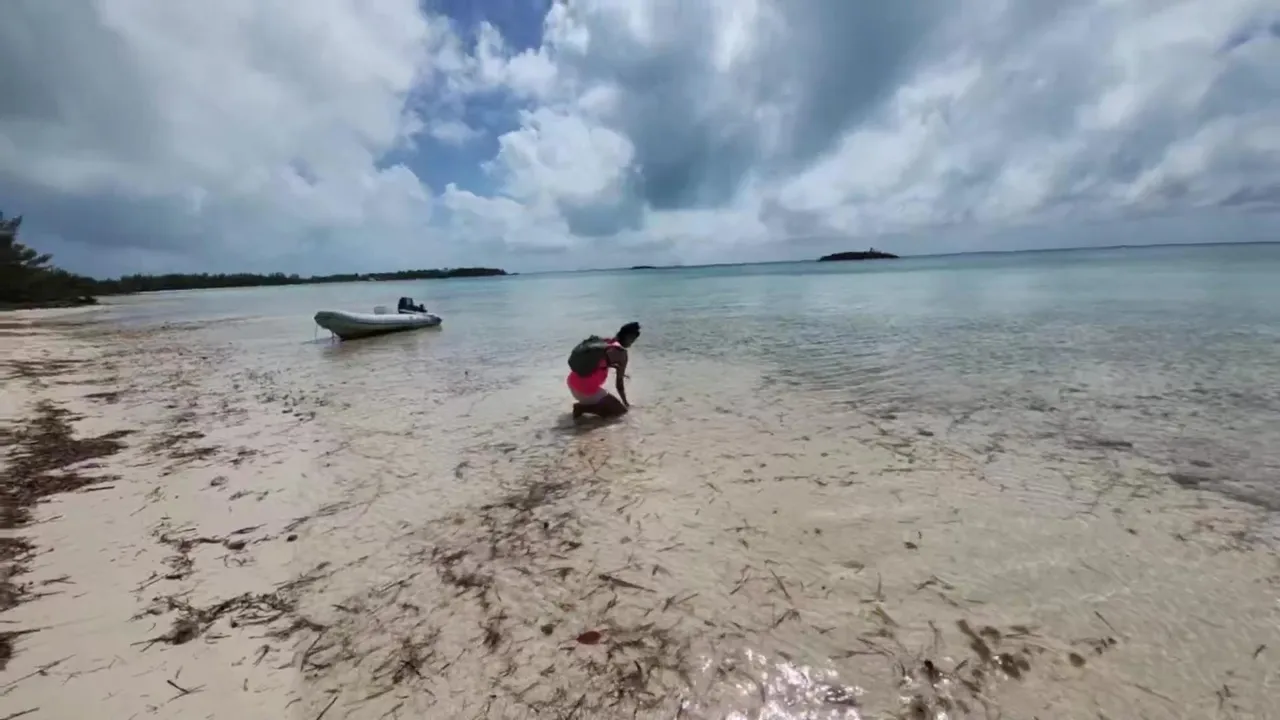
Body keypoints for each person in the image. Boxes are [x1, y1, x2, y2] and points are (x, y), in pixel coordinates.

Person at [567, 321, 640, 420]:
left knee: (609, 409)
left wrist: (613, 366)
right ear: (629, 337)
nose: (631, 343)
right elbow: (619, 385)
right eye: (633, 340)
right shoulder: (621, 354)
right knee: (621, 412)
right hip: (586, 390)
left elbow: (599, 362)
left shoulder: (604, 343)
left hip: (572, 382)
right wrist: (625, 403)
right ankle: (582, 408)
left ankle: (585, 408)